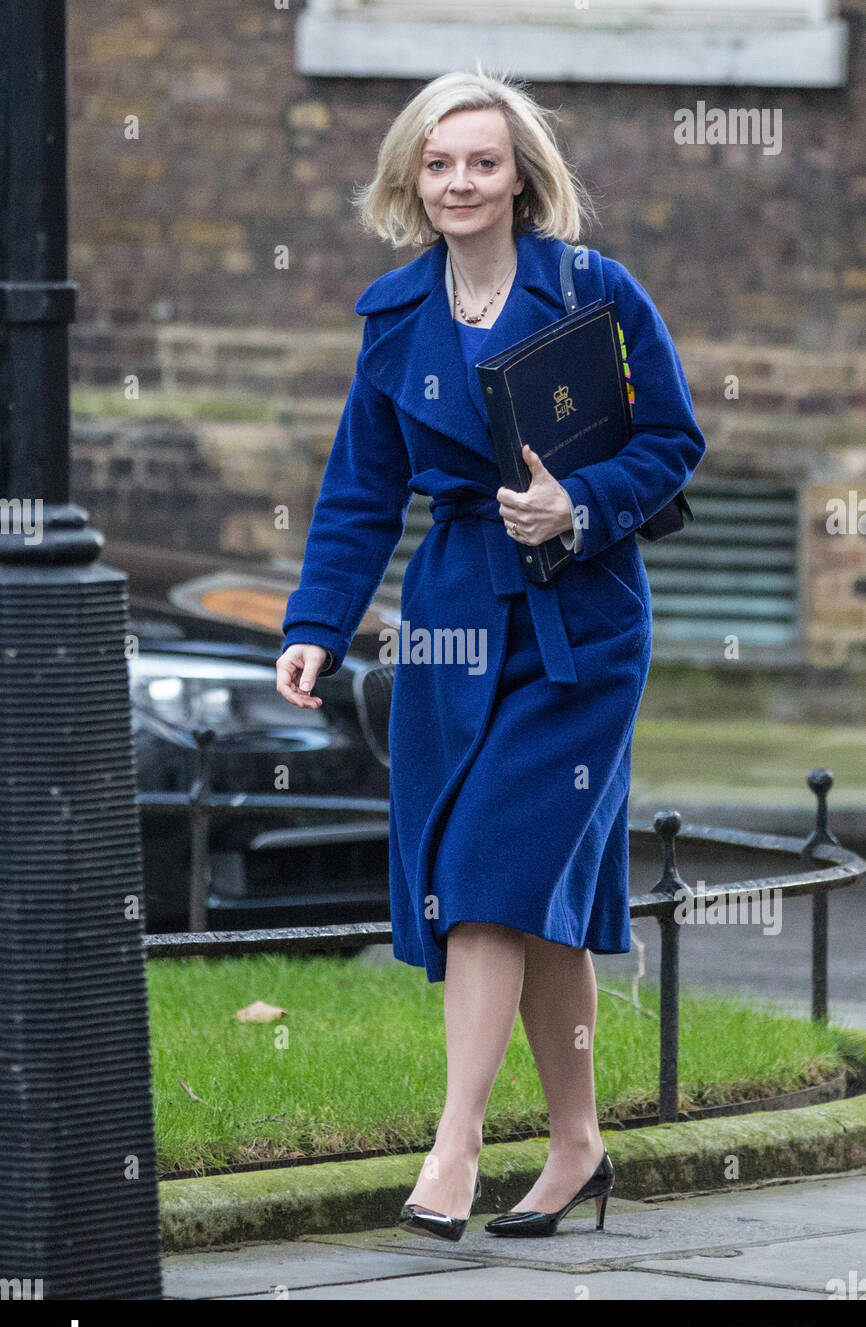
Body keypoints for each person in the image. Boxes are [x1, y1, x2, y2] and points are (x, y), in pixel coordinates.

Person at [276, 67, 705, 1240]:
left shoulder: (593, 293)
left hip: (582, 622)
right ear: (410, 178)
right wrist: (315, 626)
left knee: (481, 880)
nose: (459, 180)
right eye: (437, 161)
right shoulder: (392, 316)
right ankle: (575, 1146)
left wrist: (580, 505)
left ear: (521, 176)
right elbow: (358, 494)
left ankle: (453, 1145)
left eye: (481, 160)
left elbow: (673, 440)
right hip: (454, 619)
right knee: (535, 904)